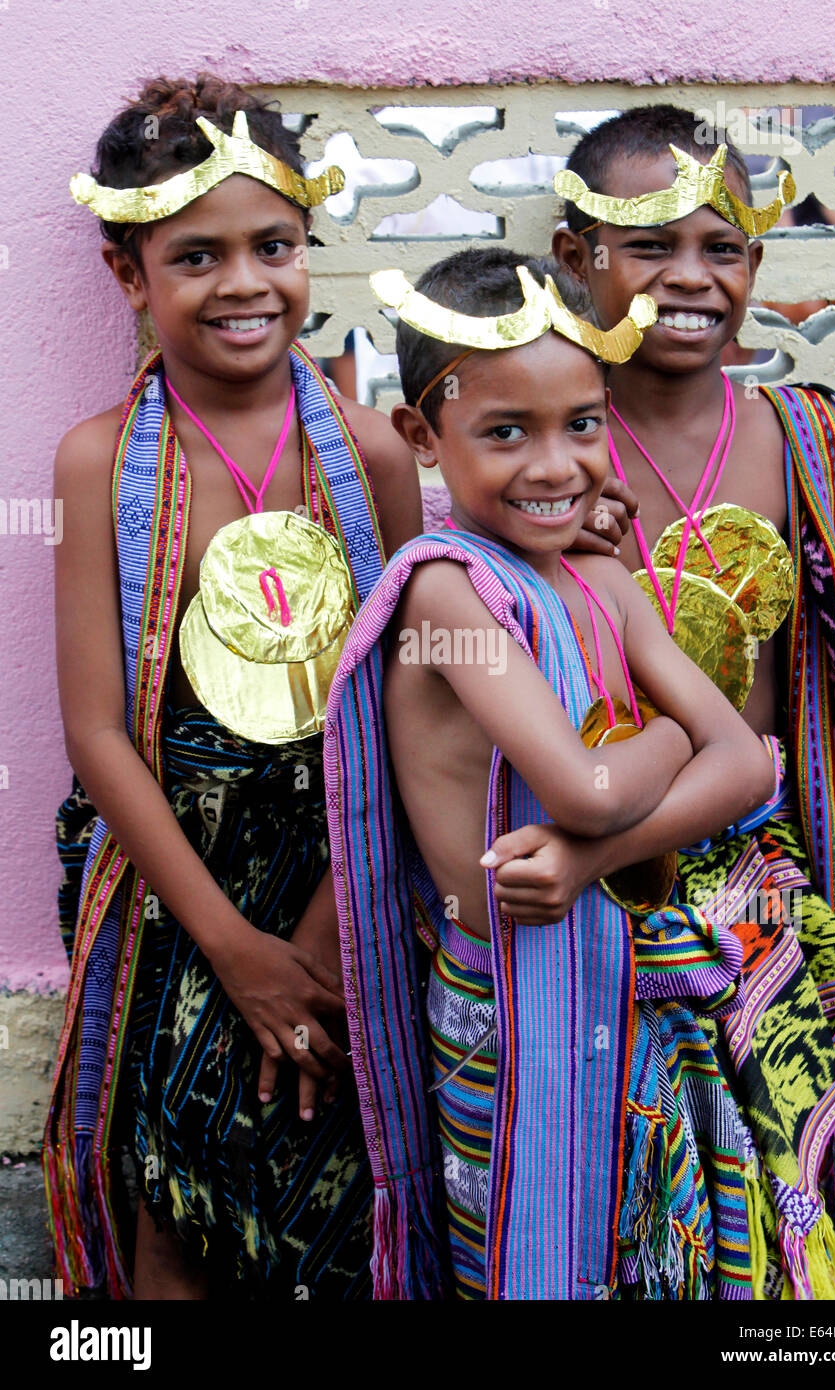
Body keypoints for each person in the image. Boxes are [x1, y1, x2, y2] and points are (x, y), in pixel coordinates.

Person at [324, 246, 784, 1299]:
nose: (554, 465)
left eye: (581, 424)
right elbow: (586, 786)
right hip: (501, 1009)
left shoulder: (604, 581)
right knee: (527, 1261)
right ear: (421, 437)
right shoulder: (450, 595)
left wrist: (595, 857)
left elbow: (748, 766)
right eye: (503, 432)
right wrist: (674, 734)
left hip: (622, 991)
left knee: (640, 1260)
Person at [45, 73, 422, 1301]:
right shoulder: (102, 461)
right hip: (179, 897)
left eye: (275, 245)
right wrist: (237, 951)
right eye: (196, 256)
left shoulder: (367, 454)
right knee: (177, 1194)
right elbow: (100, 733)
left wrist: (316, 939)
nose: (246, 283)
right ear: (129, 276)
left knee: (337, 1176)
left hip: (347, 884)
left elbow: (416, 705)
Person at [551, 104, 835, 1294]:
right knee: (642, 1218)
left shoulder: (813, 442)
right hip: (602, 890)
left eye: (727, 246)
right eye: (651, 247)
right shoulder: (540, 461)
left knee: (794, 1210)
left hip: (775, 893)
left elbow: (825, 700)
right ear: (575, 260)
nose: (693, 278)